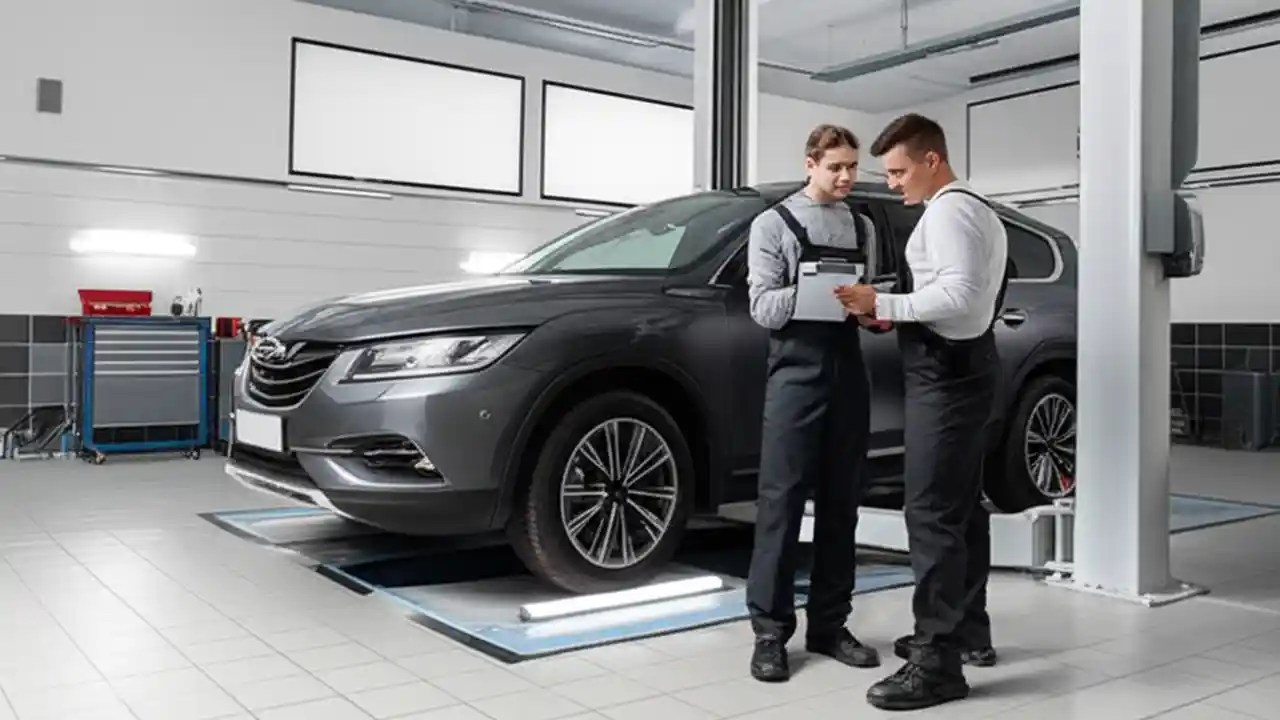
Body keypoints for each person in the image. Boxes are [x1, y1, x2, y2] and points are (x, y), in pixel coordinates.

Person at [835, 113, 1007, 711]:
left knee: (931, 512)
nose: (892, 183)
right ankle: (966, 633)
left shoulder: (950, 211)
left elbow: (958, 295)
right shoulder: (977, 208)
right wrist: (892, 314)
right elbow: (959, 298)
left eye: (899, 171)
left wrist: (882, 302)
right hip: (967, 363)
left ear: (932, 160)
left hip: (947, 374)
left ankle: (936, 664)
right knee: (961, 507)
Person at [744, 123, 884, 683]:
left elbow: (868, 296)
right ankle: (770, 633)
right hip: (794, 374)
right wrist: (811, 291)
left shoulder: (862, 226)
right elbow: (761, 307)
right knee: (780, 504)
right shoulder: (772, 224)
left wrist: (868, 306)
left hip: (848, 370)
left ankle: (829, 625)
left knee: (841, 504)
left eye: (852, 166)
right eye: (836, 167)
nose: (847, 176)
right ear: (810, 164)